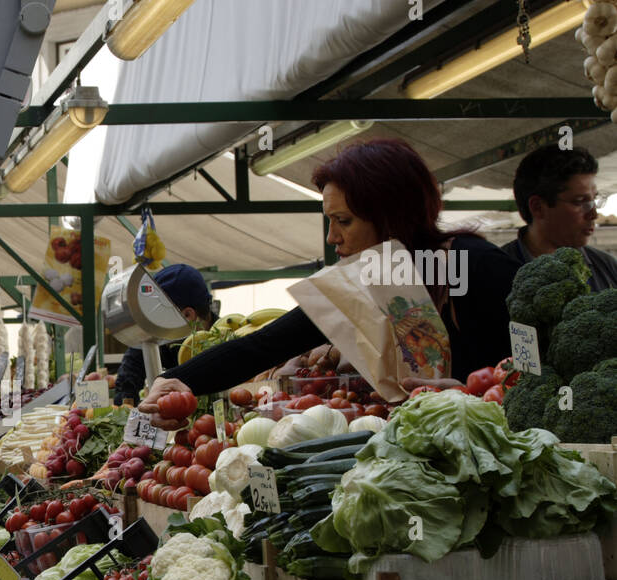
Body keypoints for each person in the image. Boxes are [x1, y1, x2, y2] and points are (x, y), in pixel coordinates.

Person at [138, 138, 521, 426]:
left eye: (345, 221)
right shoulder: (368, 282)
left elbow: (539, 372)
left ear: (391, 216)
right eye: (330, 221)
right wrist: (176, 380)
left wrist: (470, 394)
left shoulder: (474, 266)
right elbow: (264, 346)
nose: (332, 237)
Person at [502, 146, 617, 291]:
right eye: (580, 201)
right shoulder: (492, 272)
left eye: (594, 200)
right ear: (538, 207)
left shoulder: (607, 267)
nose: (593, 214)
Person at [112, 264, 218, 405]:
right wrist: (126, 406)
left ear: (187, 315)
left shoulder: (228, 338)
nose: (155, 324)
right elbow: (130, 373)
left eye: (160, 316)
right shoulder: (158, 336)